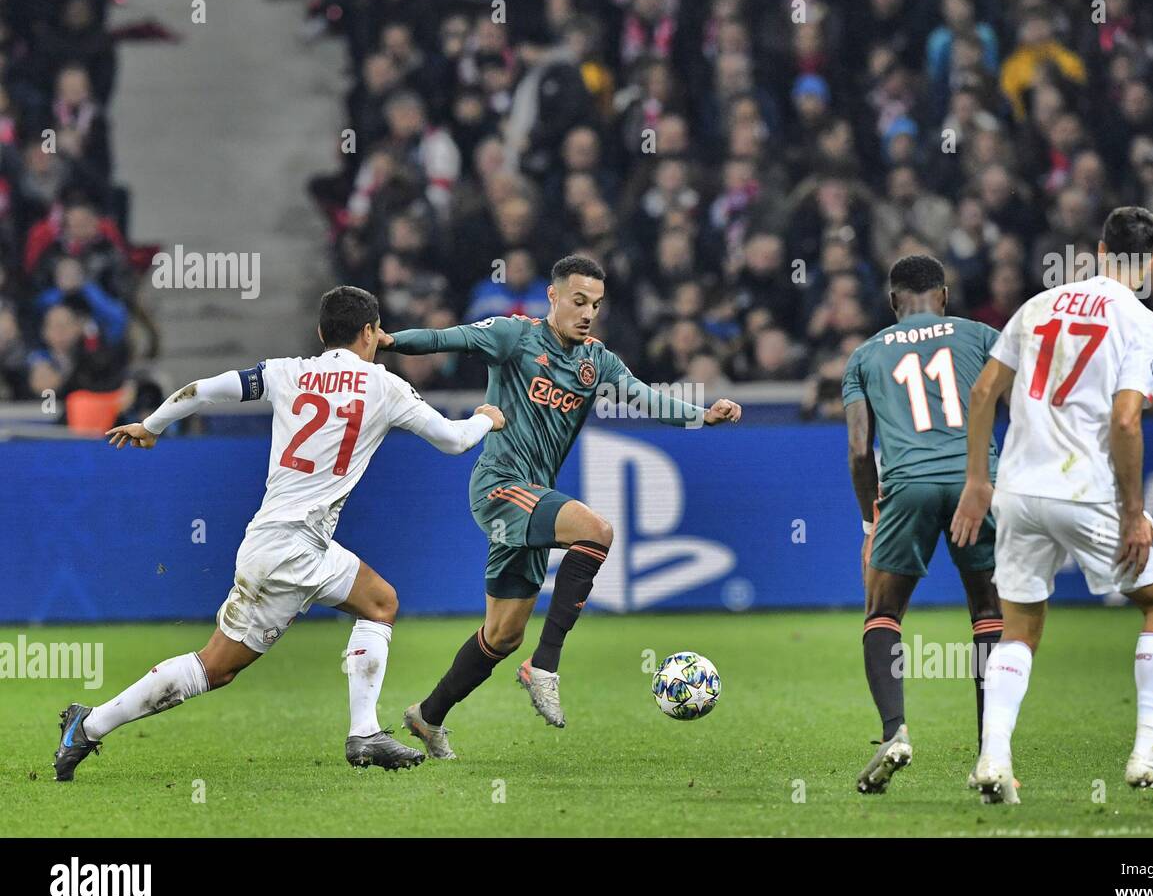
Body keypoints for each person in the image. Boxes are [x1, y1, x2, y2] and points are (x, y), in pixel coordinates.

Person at [54, 286, 503, 780]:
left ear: (320, 333)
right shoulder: (383, 385)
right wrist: (484, 419)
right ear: (371, 332)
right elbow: (454, 441)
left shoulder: (287, 371)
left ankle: (364, 733)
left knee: (376, 603)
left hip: (283, 542)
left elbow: (202, 389)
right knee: (215, 666)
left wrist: (152, 425)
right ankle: (89, 724)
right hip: (292, 548)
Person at [383, 254, 742, 758]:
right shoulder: (515, 336)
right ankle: (545, 665)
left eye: (595, 304)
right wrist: (390, 341)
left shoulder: (598, 361)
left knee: (502, 635)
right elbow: (450, 338)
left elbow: (645, 397)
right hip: (499, 485)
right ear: (552, 297)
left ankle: (428, 715)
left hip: (532, 502)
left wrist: (703, 415)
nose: (588, 312)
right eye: (578, 301)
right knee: (596, 530)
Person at [951, 207, 1153, 803]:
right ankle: (1149, 751)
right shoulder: (1141, 324)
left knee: (1018, 628)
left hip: (1016, 489)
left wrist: (977, 480)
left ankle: (993, 758)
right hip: (1086, 490)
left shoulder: (1038, 306)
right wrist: (1133, 511)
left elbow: (985, 390)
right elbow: (1124, 419)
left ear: (1097, 248)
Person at [842, 254, 1003, 794]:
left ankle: (895, 733)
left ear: (893, 302)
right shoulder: (979, 335)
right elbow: (1027, 402)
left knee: (882, 612)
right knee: (988, 611)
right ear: (945, 295)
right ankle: (991, 756)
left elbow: (860, 451)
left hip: (908, 486)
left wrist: (871, 522)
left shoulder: (864, 357)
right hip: (978, 484)